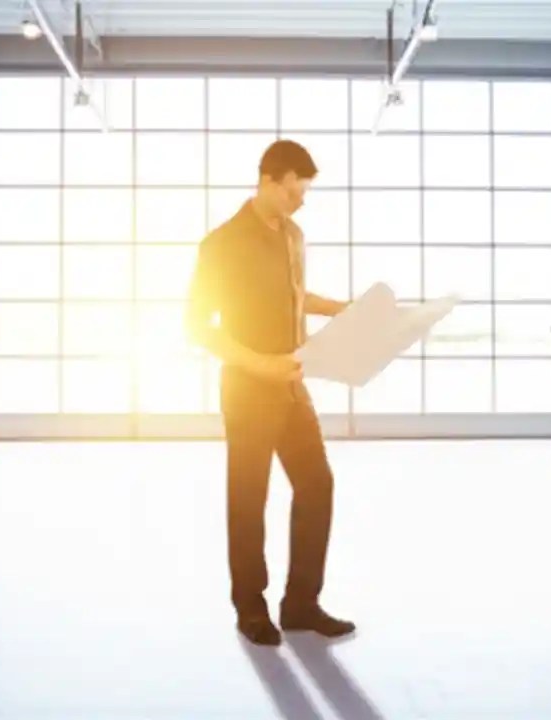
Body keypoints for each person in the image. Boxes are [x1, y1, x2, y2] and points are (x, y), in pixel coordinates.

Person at [186, 140, 356, 647]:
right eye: (293, 192)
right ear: (268, 180)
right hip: (247, 388)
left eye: (304, 193)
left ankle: (301, 604)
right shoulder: (221, 244)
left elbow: (296, 296)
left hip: (293, 386)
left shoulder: (295, 235)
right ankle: (251, 609)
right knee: (248, 499)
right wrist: (262, 365)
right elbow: (198, 326)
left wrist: (342, 309)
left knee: (317, 485)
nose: (300, 202)